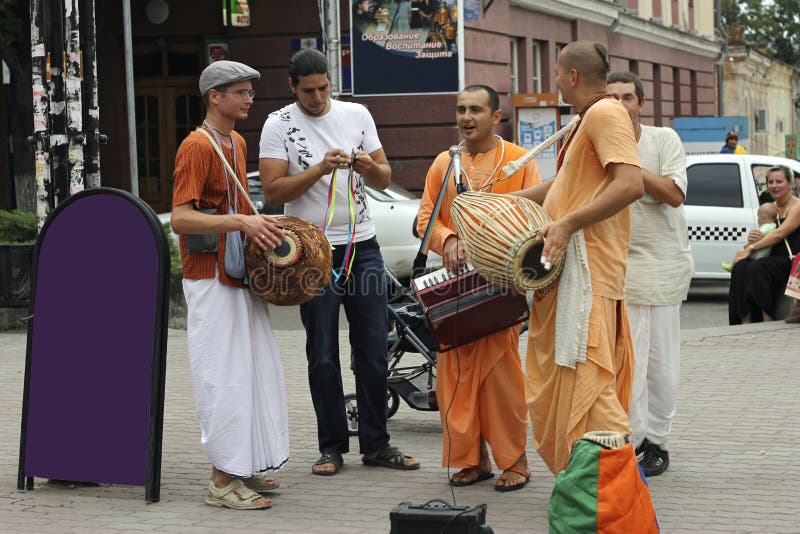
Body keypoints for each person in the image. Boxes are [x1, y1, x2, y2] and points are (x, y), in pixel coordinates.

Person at [258, 48, 419, 476]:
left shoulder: (356, 114)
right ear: (292, 87)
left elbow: (384, 175)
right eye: (308, 91)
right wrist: (317, 171)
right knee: (322, 354)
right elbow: (273, 193)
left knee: (371, 350)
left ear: (331, 82)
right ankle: (331, 447)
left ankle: (376, 444)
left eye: (324, 88)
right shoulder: (279, 125)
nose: (317, 97)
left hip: (362, 246)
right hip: (311, 254)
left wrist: (368, 167)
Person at [515, 41, 643, 475]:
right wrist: (504, 202)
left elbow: (630, 184)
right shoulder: (586, 119)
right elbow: (562, 187)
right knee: (577, 376)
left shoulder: (606, 113)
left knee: (592, 384)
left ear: (572, 76)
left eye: (555, 73)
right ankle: (591, 485)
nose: (552, 81)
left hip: (591, 271)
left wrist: (567, 225)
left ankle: (612, 492)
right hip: (570, 271)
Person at [171, 60, 289, 510]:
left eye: (250, 92)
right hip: (208, 277)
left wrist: (252, 220)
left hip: (238, 274)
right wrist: (240, 219)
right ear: (214, 96)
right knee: (222, 377)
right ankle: (221, 481)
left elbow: (236, 205)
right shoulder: (196, 146)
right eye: (240, 92)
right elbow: (180, 216)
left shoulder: (236, 141)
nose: (249, 99)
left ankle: (242, 466)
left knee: (252, 372)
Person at [416, 85, 542, 491]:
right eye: (460, 110)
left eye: (475, 110)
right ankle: (473, 460)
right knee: (454, 375)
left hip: (500, 285)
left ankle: (515, 461)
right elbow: (425, 219)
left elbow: (535, 214)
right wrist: (448, 240)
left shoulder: (520, 160)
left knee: (501, 377)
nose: (466, 117)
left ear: (496, 116)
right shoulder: (444, 163)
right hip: (455, 289)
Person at [607, 71, 693, 477]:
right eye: (612, 98)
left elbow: (675, 194)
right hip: (615, 267)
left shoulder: (663, 140)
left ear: (641, 103)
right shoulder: (595, 144)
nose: (621, 104)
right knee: (626, 363)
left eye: (628, 97)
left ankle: (657, 440)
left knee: (659, 362)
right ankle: (631, 438)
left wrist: (628, 169)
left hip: (661, 266)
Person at [729, 166, 800, 324]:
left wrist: (751, 248)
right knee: (740, 267)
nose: (774, 185)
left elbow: (779, 233)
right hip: (769, 256)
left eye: (779, 181)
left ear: (790, 184)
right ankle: (743, 319)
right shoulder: (770, 208)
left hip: (789, 259)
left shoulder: (797, 206)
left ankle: (767, 317)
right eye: (770, 182)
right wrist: (753, 238)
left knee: (758, 267)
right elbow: (764, 232)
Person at [722, 202, 778, 272]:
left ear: (763, 217)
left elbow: (755, 239)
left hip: (758, 254)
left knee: (740, 252)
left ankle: (732, 266)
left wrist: (747, 245)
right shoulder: (774, 226)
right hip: (764, 254)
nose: (758, 220)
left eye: (758, 216)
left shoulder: (765, 228)